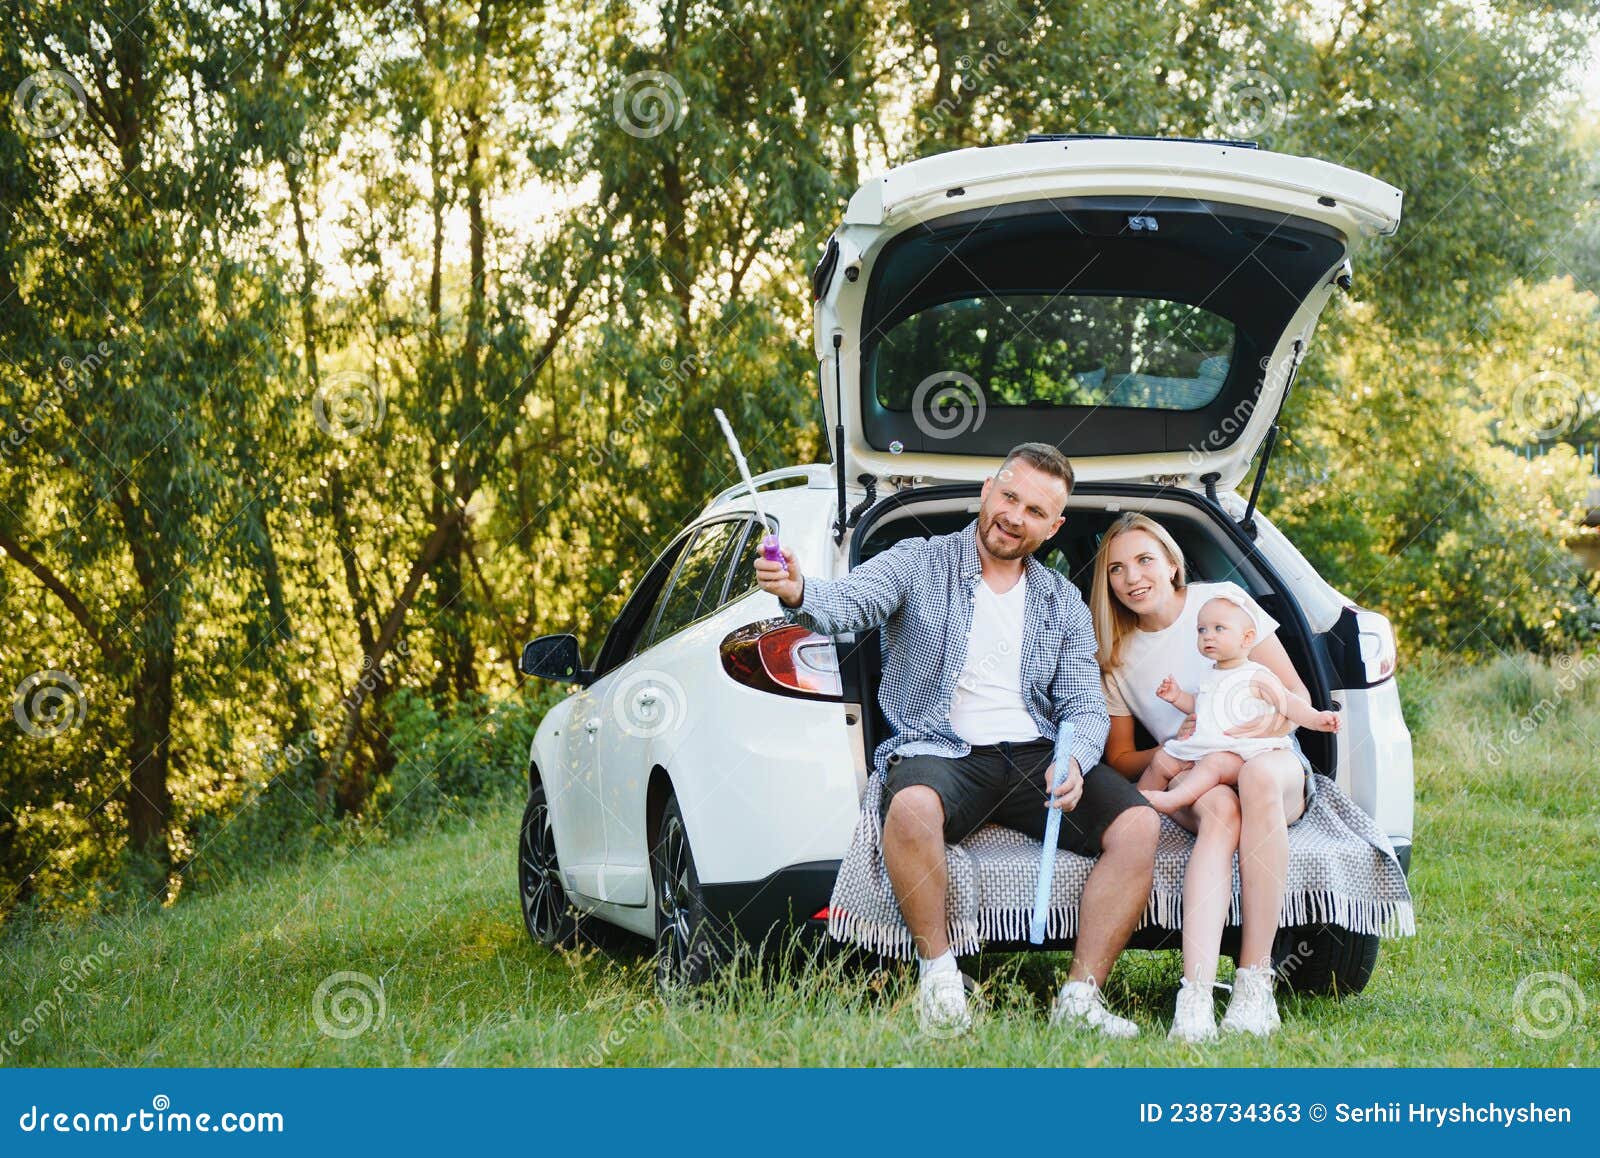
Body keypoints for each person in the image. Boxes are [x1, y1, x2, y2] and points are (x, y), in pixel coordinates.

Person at [754, 443, 1160, 1037]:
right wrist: (797, 590)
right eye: (1010, 496)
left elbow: (1082, 702)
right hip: (940, 748)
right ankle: (940, 978)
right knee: (911, 806)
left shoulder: (1060, 600)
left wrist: (1073, 758)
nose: (1015, 515)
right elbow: (848, 602)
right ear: (987, 491)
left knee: (1140, 826)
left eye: (1035, 510)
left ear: (1053, 527)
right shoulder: (917, 562)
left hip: (1035, 752)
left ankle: (1081, 996)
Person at [1089, 513, 1316, 1042]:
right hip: (1196, 773)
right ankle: (1194, 996)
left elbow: (1298, 697)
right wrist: (1172, 748)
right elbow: (1122, 759)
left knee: (1257, 777)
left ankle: (1254, 984)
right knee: (1221, 811)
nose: (1132, 577)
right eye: (1116, 569)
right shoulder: (1116, 653)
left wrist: (1264, 720)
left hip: (1269, 756)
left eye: (1145, 559)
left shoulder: (1219, 603)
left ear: (1172, 563)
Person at [1140, 594, 1341, 813]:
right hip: (1210, 747)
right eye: (1202, 630)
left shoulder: (1255, 674)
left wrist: (1316, 718)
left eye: (1219, 628)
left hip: (1244, 754)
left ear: (1246, 639)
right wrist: (1178, 697)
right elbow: (1204, 707)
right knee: (1163, 758)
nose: (1208, 636)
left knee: (1213, 764)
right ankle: (1134, 809)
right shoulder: (1211, 673)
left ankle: (1174, 800)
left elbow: (1290, 704)